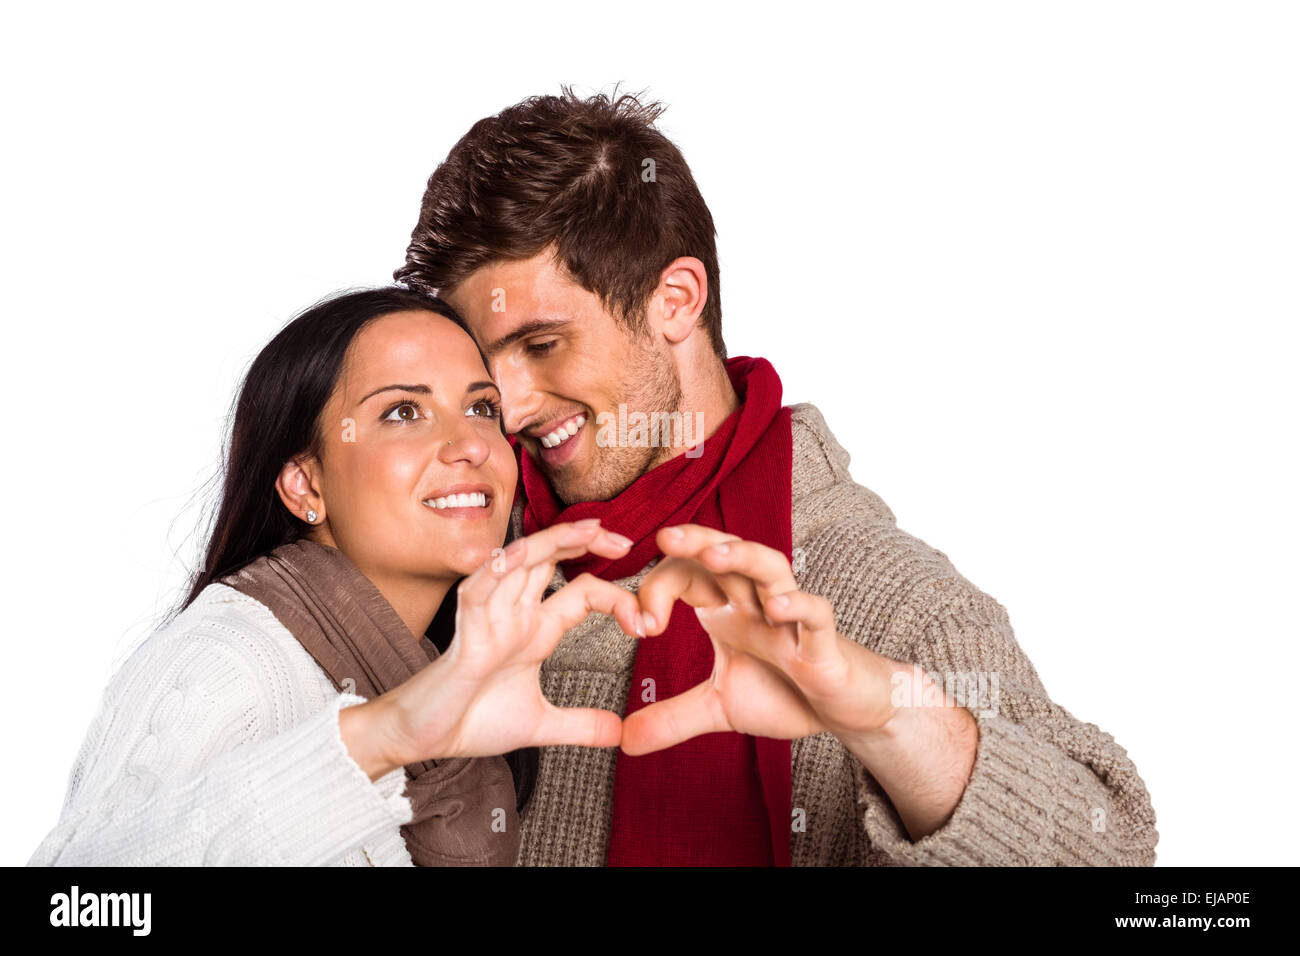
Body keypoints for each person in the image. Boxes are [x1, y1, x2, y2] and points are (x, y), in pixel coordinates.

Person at [393, 88, 1161, 866]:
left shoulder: (882, 601)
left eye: (544, 344)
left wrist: (884, 718)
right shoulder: (464, 576)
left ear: (675, 301)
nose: (511, 406)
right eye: (489, 366)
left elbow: (1112, 859)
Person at [29, 286, 644, 866]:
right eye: (404, 411)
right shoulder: (226, 663)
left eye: (482, 408)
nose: (473, 445)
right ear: (305, 485)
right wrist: (379, 738)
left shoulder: (455, 675)